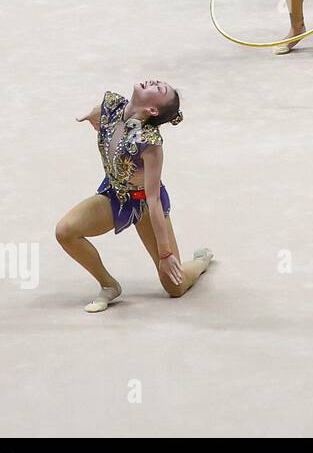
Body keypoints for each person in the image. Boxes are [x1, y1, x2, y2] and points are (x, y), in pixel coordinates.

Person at [57, 80, 213, 312]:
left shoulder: (150, 144)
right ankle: (109, 285)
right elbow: (103, 117)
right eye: (158, 82)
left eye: (159, 89)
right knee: (65, 231)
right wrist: (93, 115)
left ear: (152, 110)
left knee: (174, 287)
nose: (154, 82)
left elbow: (154, 198)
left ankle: (201, 261)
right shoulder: (111, 107)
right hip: (114, 195)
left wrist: (165, 253)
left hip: (144, 205)